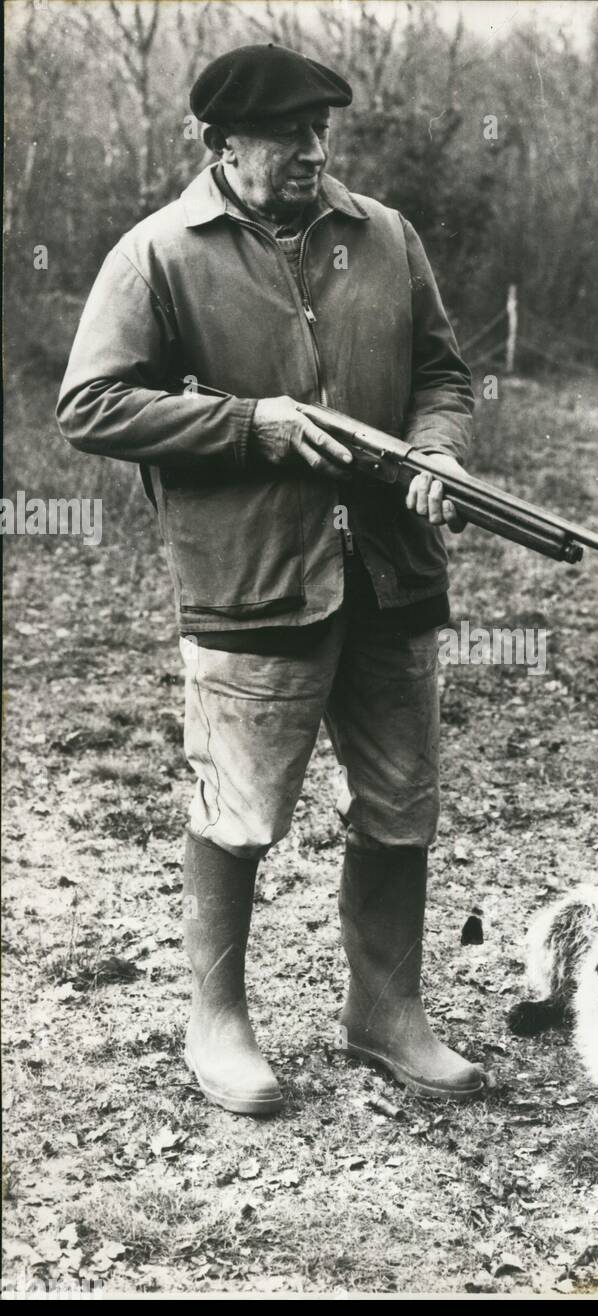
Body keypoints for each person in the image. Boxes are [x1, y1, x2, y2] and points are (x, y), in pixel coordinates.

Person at [57, 42, 486, 1115]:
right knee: (238, 814)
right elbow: (91, 404)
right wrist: (249, 425)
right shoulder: (157, 253)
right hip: (253, 583)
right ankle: (219, 1026)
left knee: (400, 808)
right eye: (286, 133)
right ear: (221, 144)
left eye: (319, 130)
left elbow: (441, 370)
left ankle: (385, 1011)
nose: (310, 150)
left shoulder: (384, 236)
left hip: (391, 575)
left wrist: (438, 450)